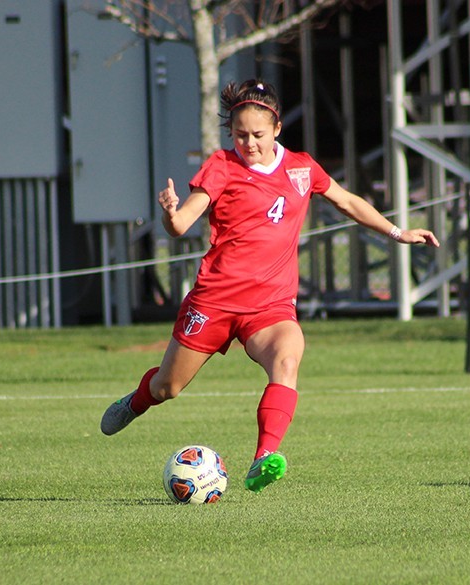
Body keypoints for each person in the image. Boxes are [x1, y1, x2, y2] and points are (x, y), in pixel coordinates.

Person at [99, 79, 440, 493]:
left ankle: (264, 456)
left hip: (271, 306)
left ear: (276, 128)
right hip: (215, 301)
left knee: (288, 359)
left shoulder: (301, 167)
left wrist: (397, 232)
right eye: (240, 135)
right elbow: (183, 223)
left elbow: (347, 201)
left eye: (257, 135)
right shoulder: (221, 166)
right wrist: (171, 216)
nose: (249, 143)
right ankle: (136, 402)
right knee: (167, 387)